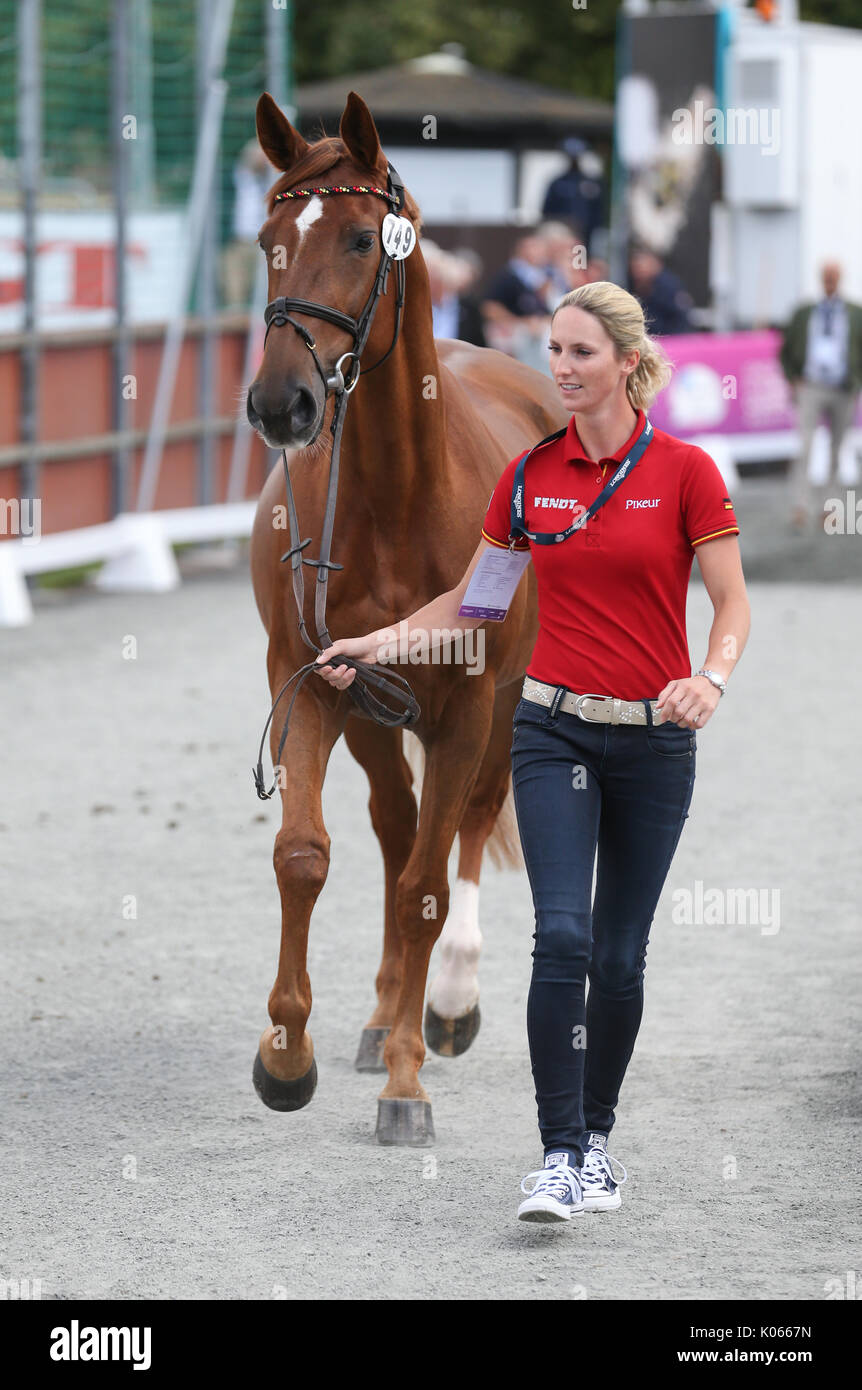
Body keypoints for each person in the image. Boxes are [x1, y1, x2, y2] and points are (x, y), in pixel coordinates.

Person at [313, 281, 750, 1225]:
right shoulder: (529, 476)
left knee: (622, 960)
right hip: (550, 733)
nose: (561, 367)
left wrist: (709, 677)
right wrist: (375, 644)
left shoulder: (687, 473)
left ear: (627, 364)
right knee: (564, 937)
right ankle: (557, 1156)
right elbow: (470, 604)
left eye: (581, 353)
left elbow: (732, 602)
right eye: (554, 350)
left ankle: (597, 1139)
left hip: (653, 743)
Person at [778, 260, 862, 530]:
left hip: (842, 387)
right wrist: (794, 379)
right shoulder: (804, 313)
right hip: (811, 385)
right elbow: (785, 349)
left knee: (838, 448)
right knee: (805, 446)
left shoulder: (854, 313)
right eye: (826, 277)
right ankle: (800, 505)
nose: (830, 282)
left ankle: (831, 506)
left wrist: (856, 380)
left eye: (833, 277)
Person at [541, 136, 605, 256]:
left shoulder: (591, 183)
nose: (574, 160)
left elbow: (598, 212)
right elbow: (547, 212)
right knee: (563, 263)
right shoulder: (558, 183)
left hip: (585, 236)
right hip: (562, 235)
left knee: (579, 264)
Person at [628, 245, 693, 337]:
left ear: (655, 265)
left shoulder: (669, 286)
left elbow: (680, 320)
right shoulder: (631, 286)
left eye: (642, 266)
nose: (639, 271)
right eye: (635, 267)